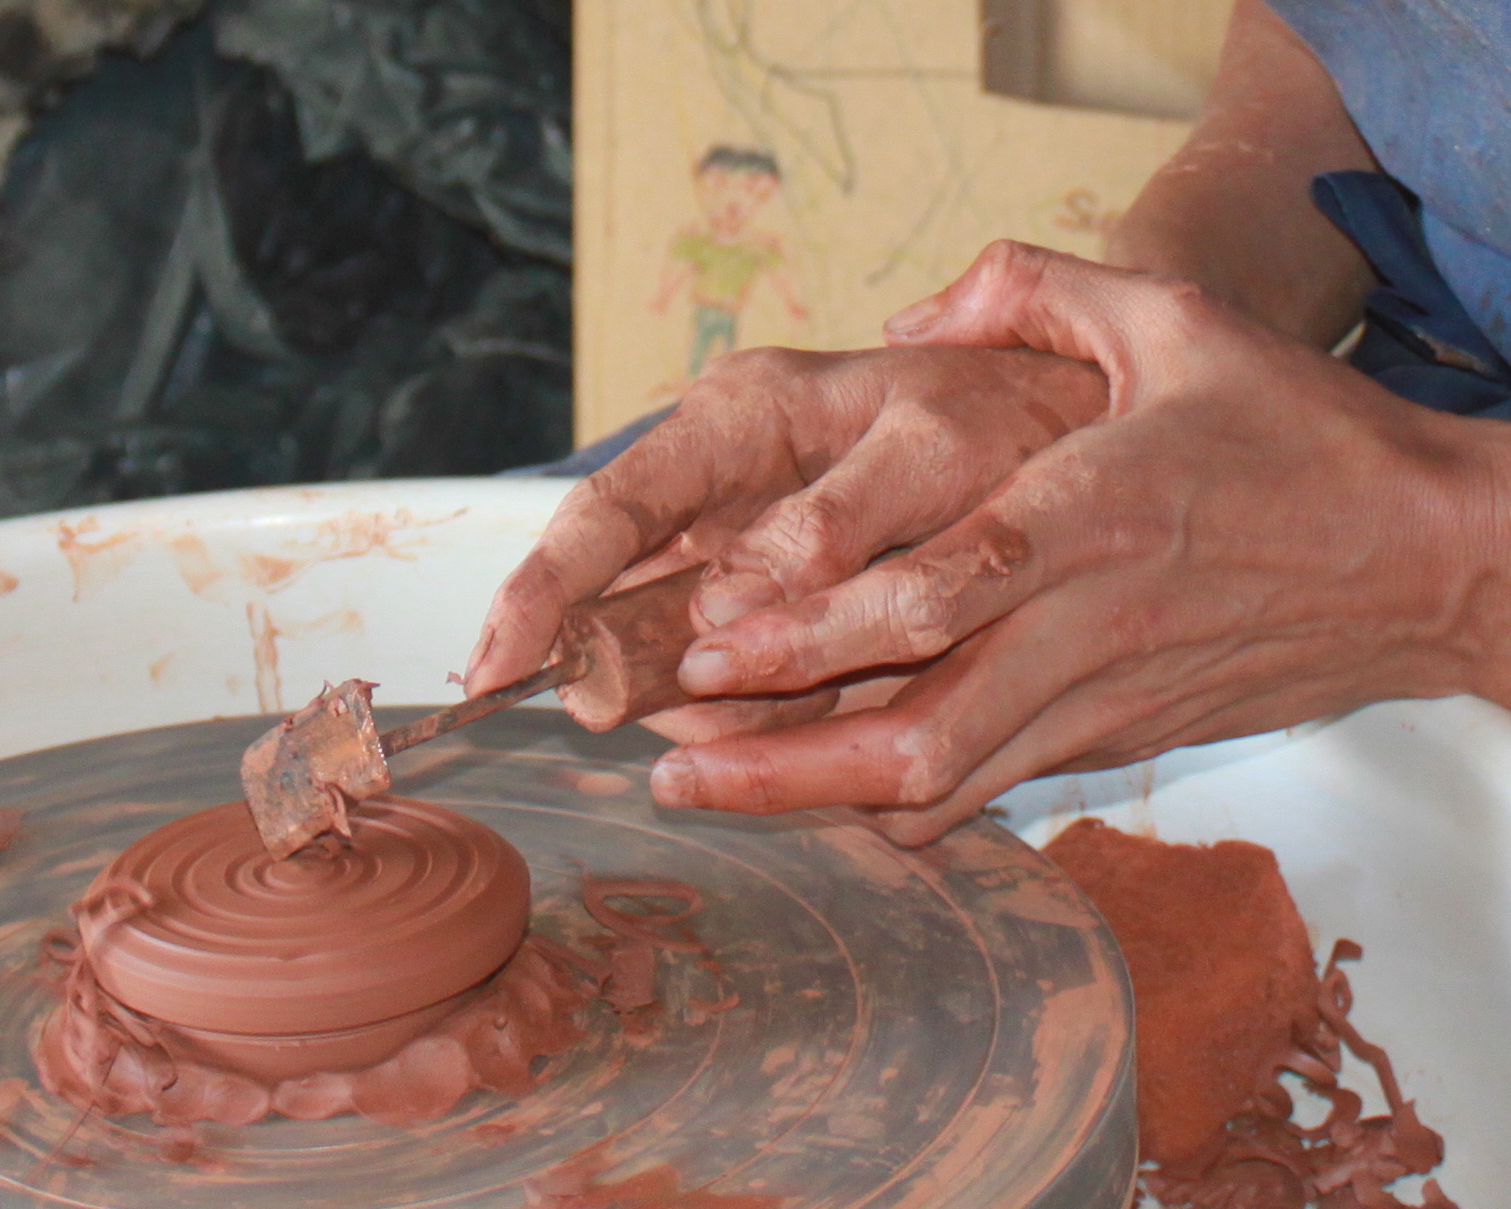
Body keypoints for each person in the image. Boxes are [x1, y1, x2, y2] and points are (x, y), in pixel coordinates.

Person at [466, 0, 1511, 846]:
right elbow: (1377, 44)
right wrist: (1111, 361)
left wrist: (1436, 564)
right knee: (594, 529)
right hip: (1421, 352)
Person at [651, 145, 809, 378]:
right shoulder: (699, 240)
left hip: (729, 311)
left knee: (727, 354)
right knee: (699, 348)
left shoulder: (757, 247)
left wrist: (792, 302)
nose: (733, 202)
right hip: (704, 307)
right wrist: (664, 296)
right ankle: (692, 382)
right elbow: (680, 268)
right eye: (719, 185)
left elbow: (778, 273)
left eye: (751, 190)